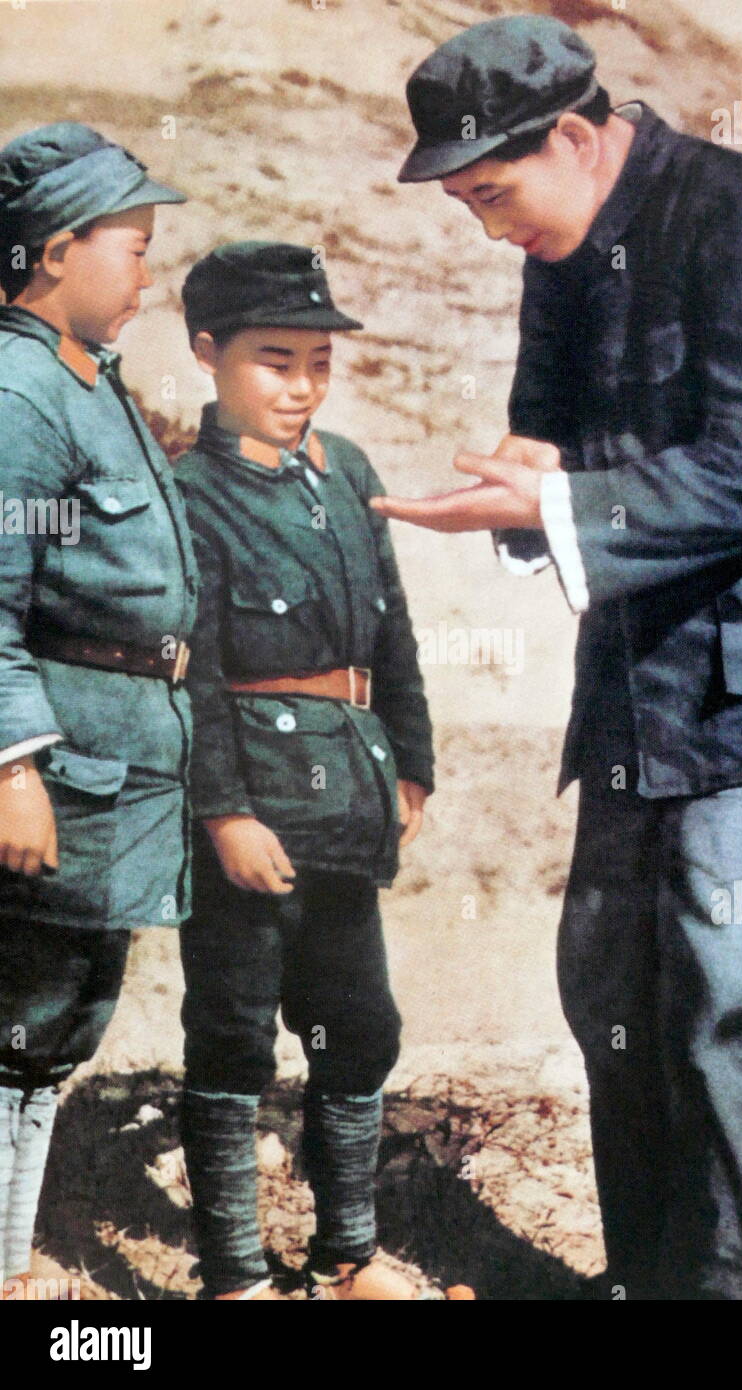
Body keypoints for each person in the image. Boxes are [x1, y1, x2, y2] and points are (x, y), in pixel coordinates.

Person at [377, 15, 742, 1300]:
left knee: (735, 1009)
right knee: (612, 985)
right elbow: (552, 437)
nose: (485, 228)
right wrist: (532, 476)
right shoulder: (557, 246)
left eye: (491, 193)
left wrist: (552, 507)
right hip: (637, 682)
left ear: (572, 135)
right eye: (462, 205)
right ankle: (658, 1280)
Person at [174, 242, 471, 1301]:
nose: (300, 386)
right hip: (249, 805)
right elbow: (193, 676)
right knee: (235, 1028)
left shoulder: (348, 472)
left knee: (359, 1023)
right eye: (272, 359)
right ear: (207, 352)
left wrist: (414, 761)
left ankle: (346, 1255)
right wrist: (221, 813)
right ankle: (232, 1274)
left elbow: (391, 635)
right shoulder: (186, 495)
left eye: (316, 361)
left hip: (349, 797)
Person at [0, 123, 197, 1299]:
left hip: (106, 786)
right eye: (133, 247)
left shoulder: (83, 377)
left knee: (43, 1050)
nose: (146, 274)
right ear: (57, 248)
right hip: (52, 782)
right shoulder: (19, 386)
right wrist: (11, 763)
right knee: (10, 1048)